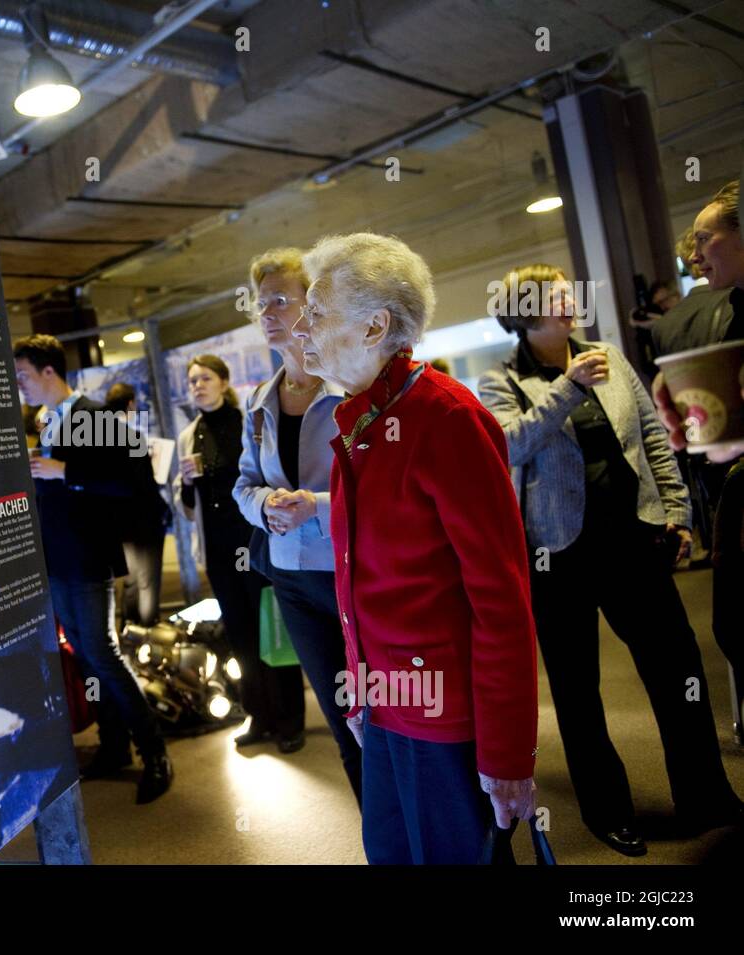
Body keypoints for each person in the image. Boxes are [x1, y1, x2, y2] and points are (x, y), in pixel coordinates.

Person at [481, 262, 742, 854]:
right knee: (578, 691)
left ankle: (706, 796)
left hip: (632, 540)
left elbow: (652, 435)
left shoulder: (609, 355)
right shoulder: (501, 380)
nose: (570, 301)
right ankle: (607, 811)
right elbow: (508, 444)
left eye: (569, 292)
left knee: (679, 674)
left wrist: (677, 510)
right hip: (555, 555)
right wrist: (568, 386)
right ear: (524, 313)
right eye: (554, 297)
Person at [293, 232, 538, 864]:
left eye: (316, 312)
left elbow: (502, 599)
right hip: (384, 708)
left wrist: (509, 754)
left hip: (443, 721)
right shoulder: (362, 419)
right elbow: (359, 582)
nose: (301, 326)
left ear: (374, 326)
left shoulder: (446, 417)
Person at [13, 335, 173, 803]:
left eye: (23, 374)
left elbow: (137, 481)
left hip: (87, 557)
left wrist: (66, 473)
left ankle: (155, 751)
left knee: (102, 653)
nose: (19, 384)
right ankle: (115, 746)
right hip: (59, 557)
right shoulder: (47, 420)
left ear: (48, 372)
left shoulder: (96, 416)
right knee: (85, 655)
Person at [231, 249, 361, 797]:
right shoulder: (259, 401)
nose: (268, 313)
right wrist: (263, 507)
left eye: (281, 301)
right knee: (341, 726)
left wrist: (318, 505)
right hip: (290, 577)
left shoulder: (351, 389)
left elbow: (383, 484)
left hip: (354, 573)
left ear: (316, 305)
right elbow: (243, 485)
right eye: (262, 304)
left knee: (378, 716)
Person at [174, 354, 301, 755]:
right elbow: (188, 507)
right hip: (218, 547)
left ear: (224, 380)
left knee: (272, 631)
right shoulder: (189, 434)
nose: (197, 385)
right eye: (192, 380)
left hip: (255, 543)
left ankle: (290, 719)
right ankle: (258, 715)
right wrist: (186, 482)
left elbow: (263, 479)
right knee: (241, 637)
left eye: (205, 378)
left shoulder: (247, 421)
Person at [653, 179, 744, 723]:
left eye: (706, 238)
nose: (693, 254)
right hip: (733, 489)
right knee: (733, 626)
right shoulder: (727, 309)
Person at [104, 382, 170, 627]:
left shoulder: (95, 439)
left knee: (131, 581)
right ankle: (147, 636)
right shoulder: (131, 438)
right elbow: (145, 485)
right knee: (147, 582)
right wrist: (165, 509)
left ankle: (129, 634)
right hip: (143, 521)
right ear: (130, 404)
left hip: (116, 525)